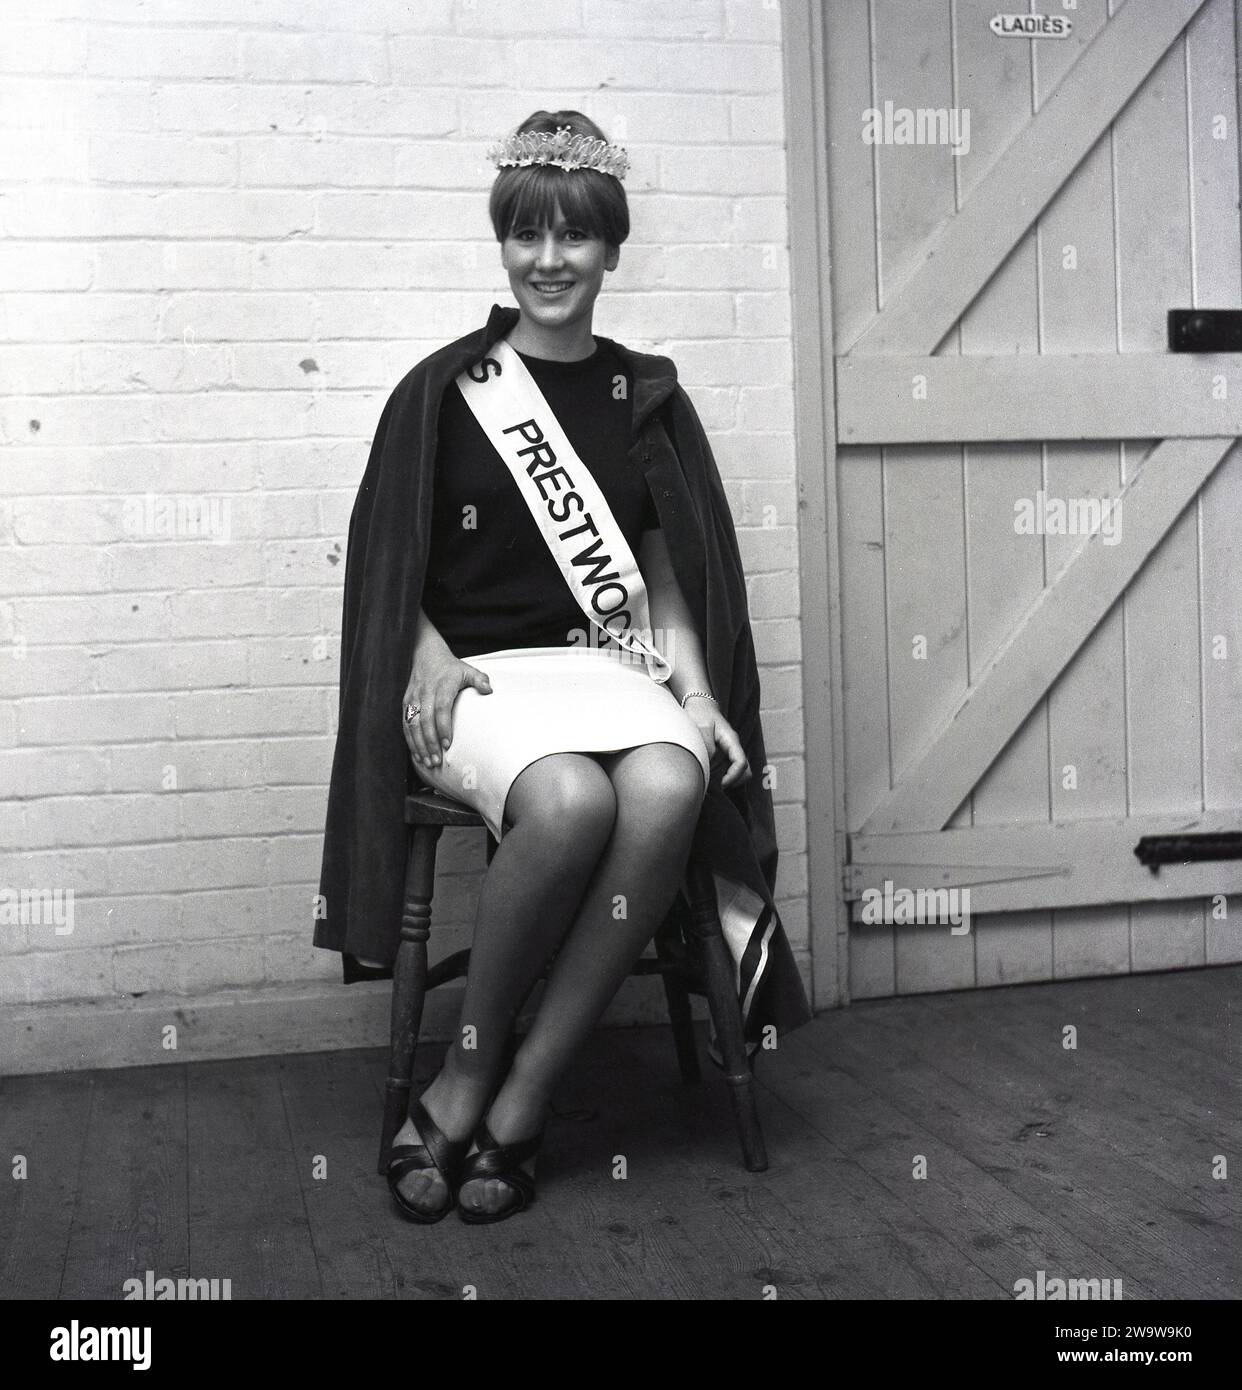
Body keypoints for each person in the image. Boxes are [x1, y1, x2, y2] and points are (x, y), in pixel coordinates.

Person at [314, 110, 811, 1226]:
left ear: (612, 250)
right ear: (502, 246)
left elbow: (665, 577)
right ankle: (467, 1074)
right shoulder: (445, 391)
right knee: (573, 798)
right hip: (482, 678)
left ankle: (526, 1090)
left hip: (605, 667)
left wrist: (695, 696)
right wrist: (425, 656)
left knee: (672, 783)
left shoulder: (647, 395)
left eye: (575, 237)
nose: (550, 260)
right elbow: (391, 566)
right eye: (527, 235)